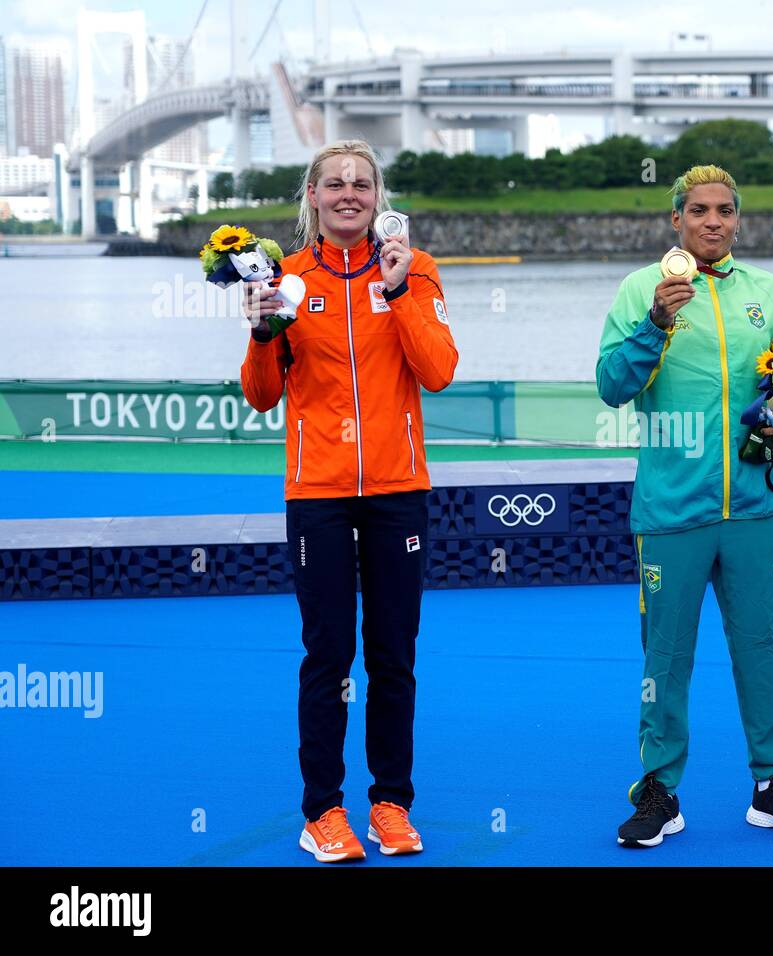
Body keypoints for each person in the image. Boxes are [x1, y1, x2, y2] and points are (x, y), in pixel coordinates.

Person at [240, 140, 458, 862]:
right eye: (333, 183)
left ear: (376, 196)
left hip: (398, 489)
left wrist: (397, 291)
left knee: (394, 655)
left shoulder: (414, 269)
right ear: (311, 196)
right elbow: (263, 394)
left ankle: (391, 805)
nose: (348, 193)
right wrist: (263, 329)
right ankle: (322, 812)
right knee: (328, 656)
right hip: (320, 493)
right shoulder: (288, 279)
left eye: (361, 183)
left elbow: (440, 371)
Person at [597, 164, 773, 848]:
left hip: (756, 508)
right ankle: (659, 791)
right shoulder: (643, 289)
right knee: (664, 659)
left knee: (761, 649)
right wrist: (655, 323)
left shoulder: (767, 292)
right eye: (699, 210)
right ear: (676, 219)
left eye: (725, 210)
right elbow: (611, 385)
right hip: (672, 512)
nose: (714, 222)